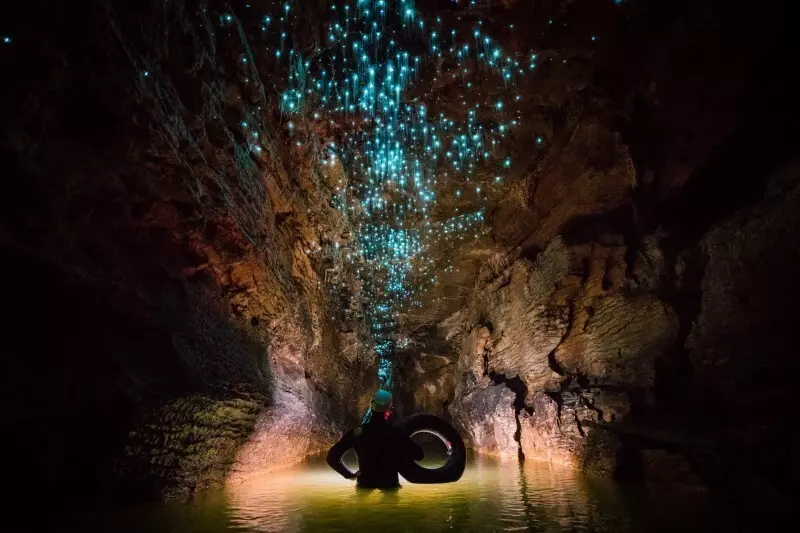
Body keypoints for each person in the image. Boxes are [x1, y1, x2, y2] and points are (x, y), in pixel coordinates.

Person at [326, 390, 424, 488]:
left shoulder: (358, 433)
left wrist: (349, 475)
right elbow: (419, 455)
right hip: (389, 485)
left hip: (365, 484)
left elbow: (331, 457)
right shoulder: (395, 433)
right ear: (389, 410)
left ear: (371, 407)